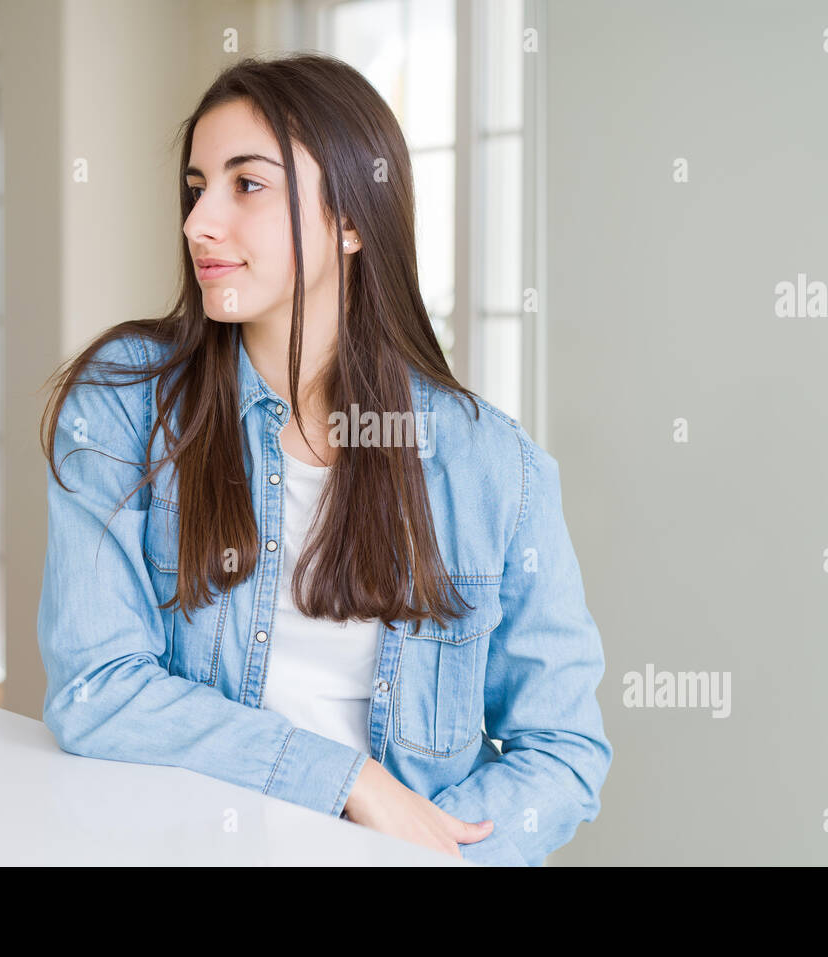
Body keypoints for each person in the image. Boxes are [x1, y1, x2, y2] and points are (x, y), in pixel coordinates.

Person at [37, 52, 612, 866]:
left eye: (248, 185)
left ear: (350, 220)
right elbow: (95, 688)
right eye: (197, 188)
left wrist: (421, 855)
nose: (199, 223)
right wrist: (352, 782)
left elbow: (561, 751)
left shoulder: (492, 467)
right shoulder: (125, 404)